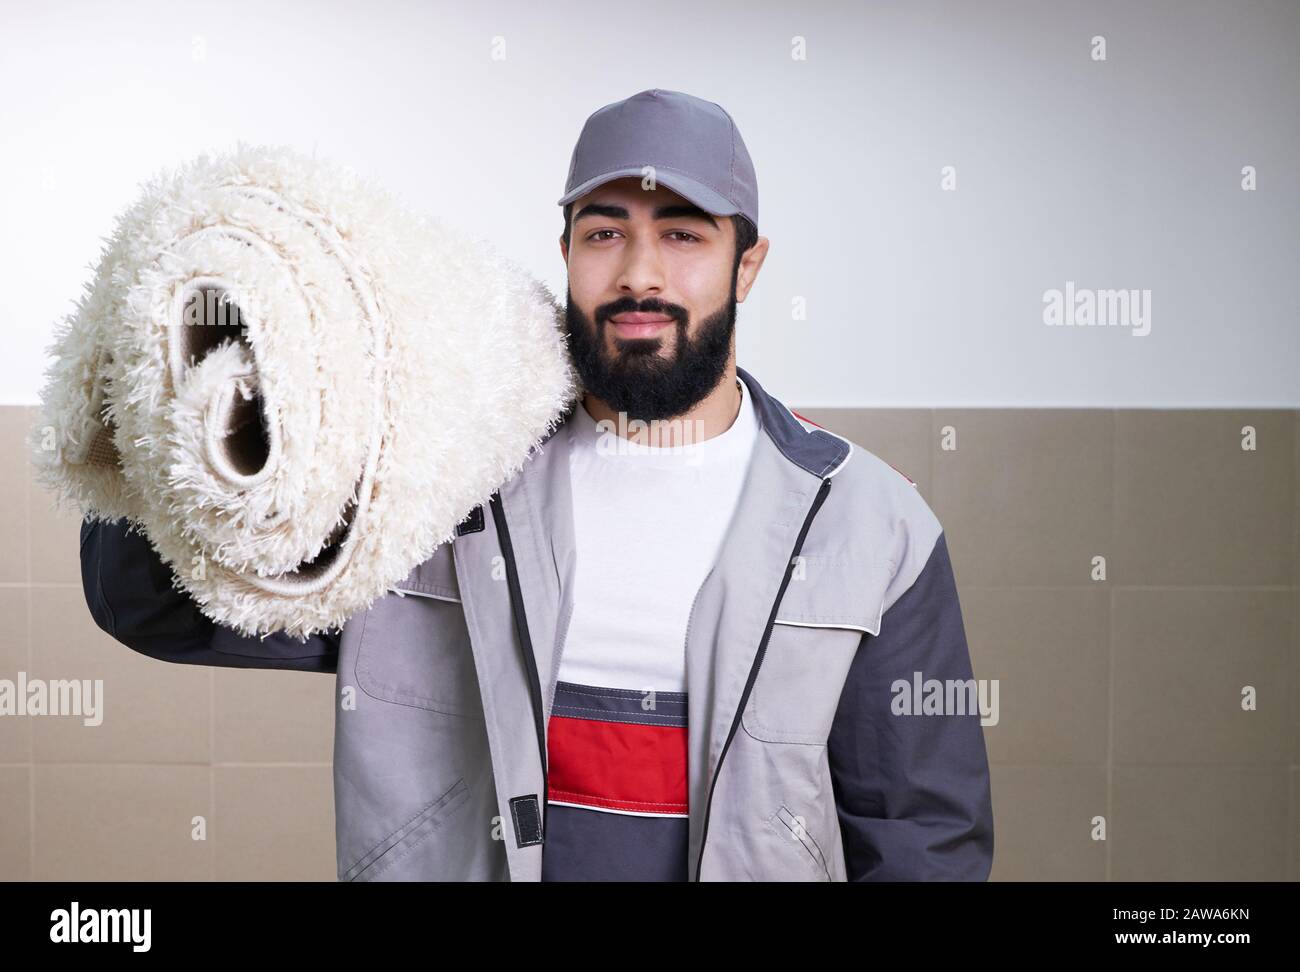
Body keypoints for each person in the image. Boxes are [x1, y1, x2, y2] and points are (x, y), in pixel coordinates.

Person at [80, 88, 993, 881]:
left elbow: (922, 839)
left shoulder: (868, 526)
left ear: (747, 265)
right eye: (605, 233)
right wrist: (188, 394)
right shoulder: (444, 479)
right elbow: (154, 604)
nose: (639, 275)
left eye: (682, 233)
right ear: (564, 250)